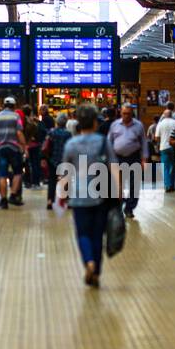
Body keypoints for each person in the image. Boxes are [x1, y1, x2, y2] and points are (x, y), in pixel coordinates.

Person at [57, 102, 115, 287]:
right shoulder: (103, 142)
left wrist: (62, 193)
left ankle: (88, 262)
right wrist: (119, 191)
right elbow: (114, 167)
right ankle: (96, 271)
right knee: (97, 234)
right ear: (95, 122)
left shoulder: (71, 144)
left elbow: (65, 172)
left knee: (83, 233)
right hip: (101, 195)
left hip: (79, 195)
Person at [107, 102, 148, 219]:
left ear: (132, 114)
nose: (126, 116)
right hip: (117, 157)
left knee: (134, 184)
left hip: (133, 157)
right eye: (124, 113)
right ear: (120, 113)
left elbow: (144, 142)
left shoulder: (138, 125)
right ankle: (118, 206)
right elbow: (109, 141)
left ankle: (129, 208)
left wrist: (144, 159)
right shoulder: (114, 125)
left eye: (128, 114)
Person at [0, 95, 27, 208]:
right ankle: (13, 194)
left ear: (4, 105)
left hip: (0, 148)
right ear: (14, 106)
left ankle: (3, 200)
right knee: (18, 172)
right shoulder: (16, 116)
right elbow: (19, 133)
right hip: (13, 148)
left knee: (2, 174)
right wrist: (24, 146)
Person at [45, 112, 71, 209]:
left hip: (52, 159)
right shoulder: (68, 134)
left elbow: (46, 145)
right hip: (65, 160)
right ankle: (68, 201)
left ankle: (50, 201)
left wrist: (44, 158)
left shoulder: (51, 132)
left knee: (52, 181)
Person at [156, 105, 175, 191]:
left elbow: (157, 137)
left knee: (165, 167)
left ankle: (167, 185)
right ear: (171, 115)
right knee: (173, 166)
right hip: (174, 147)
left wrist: (159, 143)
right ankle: (172, 185)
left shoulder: (160, 124)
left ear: (164, 115)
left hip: (164, 147)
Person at [22, 105, 43, 189]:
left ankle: (28, 182)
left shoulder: (22, 122)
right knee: (35, 164)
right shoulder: (34, 123)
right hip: (35, 145)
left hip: (26, 146)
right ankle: (35, 182)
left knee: (27, 164)